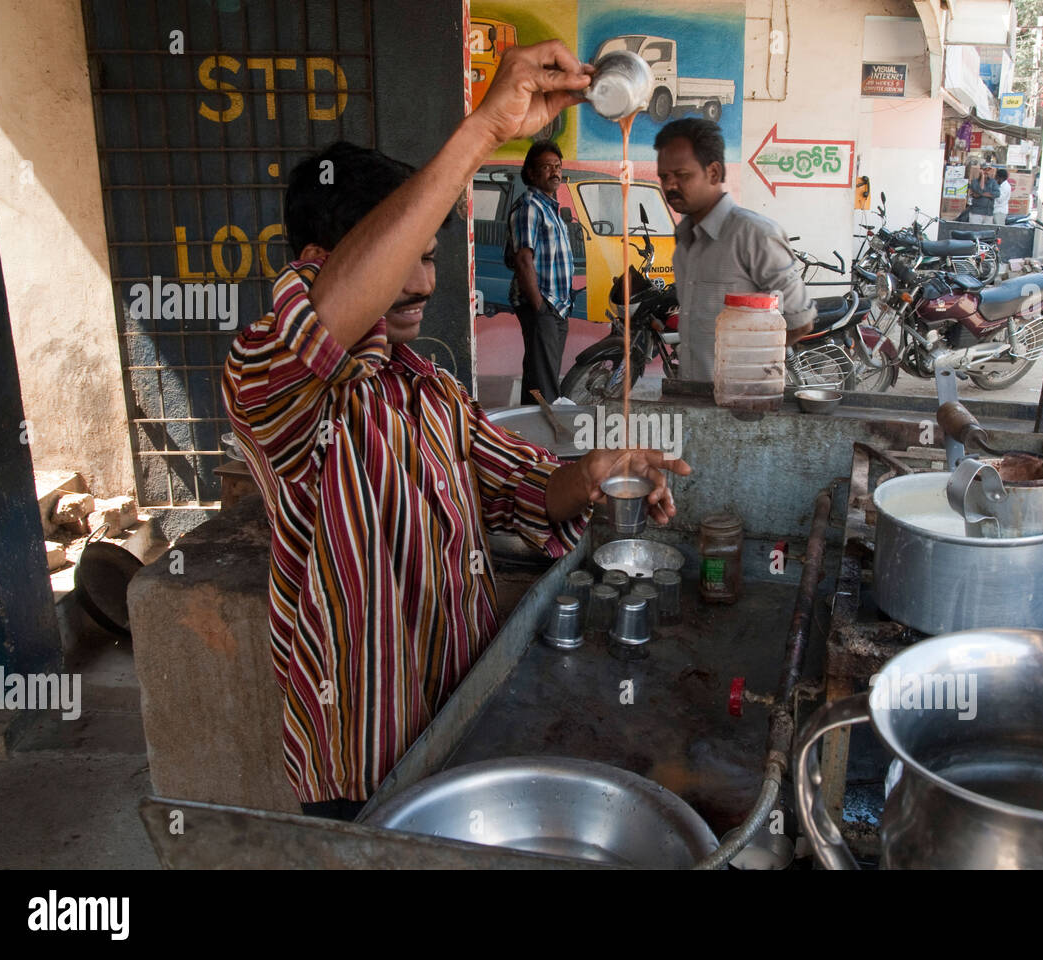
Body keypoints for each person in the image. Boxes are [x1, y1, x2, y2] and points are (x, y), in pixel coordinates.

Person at [222, 42, 691, 820]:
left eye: (434, 256)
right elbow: (324, 324)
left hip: (464, 722)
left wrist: (603, 471)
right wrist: (483, 132)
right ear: (321, 263)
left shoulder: (432, 391)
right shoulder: (274, 382)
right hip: (361, 754)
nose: (425, 282)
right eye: (405, 255)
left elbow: (530, 487)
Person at [654, 117, 815, 382]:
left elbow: (800, 321)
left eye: (682, 175)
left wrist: (745, 375)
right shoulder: (684, 241)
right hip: (693, 398)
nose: (670, 186)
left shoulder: (756, 234)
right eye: (664, 177)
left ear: (714, 173)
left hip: (743, 404)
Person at [508, 140, 574, 403]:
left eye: (557, 166)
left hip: (557, 306)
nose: (554, 172)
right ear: (532, 173)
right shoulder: (529, 207)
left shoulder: (551, 208)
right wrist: (538, 306)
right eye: (547, 167)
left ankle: (528, 439)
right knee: (545, 387)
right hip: (543, 304)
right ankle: (545, 440)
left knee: (539, 379)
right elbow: (524, 259)